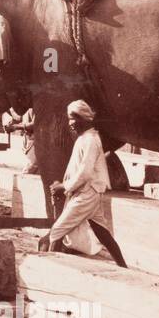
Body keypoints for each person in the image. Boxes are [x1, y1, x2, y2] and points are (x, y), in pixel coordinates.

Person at [40, 100, 127, 266]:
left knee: (57, 231)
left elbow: (85, 172)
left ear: (85, 118)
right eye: (69, 119)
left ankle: (49, 267)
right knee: (102, 232)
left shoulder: (89, 140)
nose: (70, 123)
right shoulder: (86, 139)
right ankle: (123, 266)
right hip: (89, 192)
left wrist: (63, 186)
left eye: (73, 118)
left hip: (87, 193)